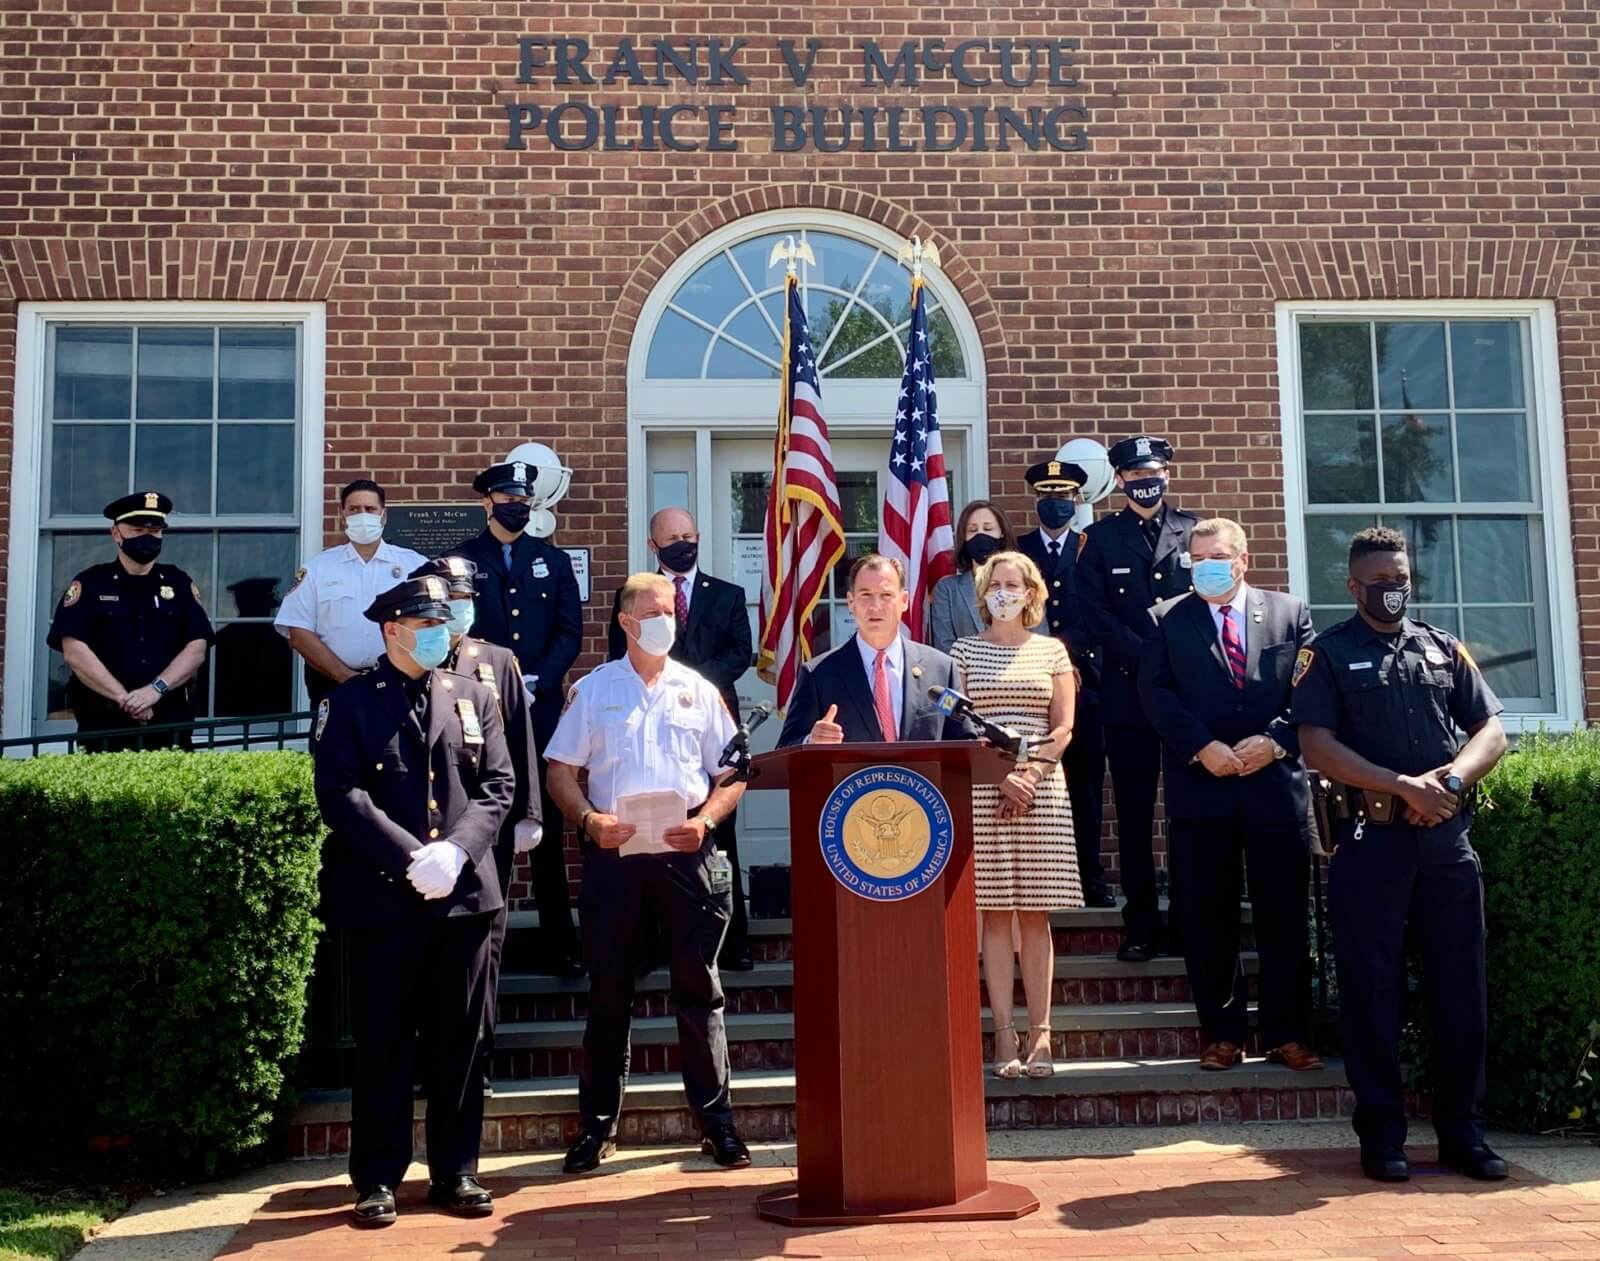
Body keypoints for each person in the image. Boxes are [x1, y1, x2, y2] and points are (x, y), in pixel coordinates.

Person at [1291, 526, 1509, 1184]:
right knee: (1372, 992)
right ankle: (1382, 1134)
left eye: (1402, 575)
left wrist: (1448, 781)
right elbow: (1315, 743)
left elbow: (1491, 729)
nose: (1394, 588)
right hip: (1371, 844)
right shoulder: (1326, 655)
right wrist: (1397, 784)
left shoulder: (1442, 648)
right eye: (1380, 579)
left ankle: (1462, 1132)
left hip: (1444, 841)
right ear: (1354, 585)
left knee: (1459, 989)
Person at [311, 575, 515, 1227]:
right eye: (425, 622)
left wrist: (454, 852)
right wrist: (410, 857)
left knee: (461, 1039)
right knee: (385, 1041)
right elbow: (339, 792)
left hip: (464, 897)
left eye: (442, 621)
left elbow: (499, 784)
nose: (439, 631)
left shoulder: (474, 695)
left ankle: (457, 1169)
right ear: (391, 629)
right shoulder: (352, 704)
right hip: (384, 902)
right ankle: (377, 1176)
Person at [545, 573, 752, 1175]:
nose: (669, 620)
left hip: (687, 852)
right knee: (609, 995)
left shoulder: (699, 688)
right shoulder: (594, 691)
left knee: (699, 993)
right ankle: (597, 1128)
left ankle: (717, 1127)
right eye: (656, 611)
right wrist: (587, 820)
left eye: (672, 611)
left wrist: (708, 821)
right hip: (617, 856)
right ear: (627, 622)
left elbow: (733, 772)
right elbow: (560, 769)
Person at [1138, 518, 1322, 1075]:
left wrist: (1277, 740)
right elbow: (1155, 692)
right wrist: (1202, 747)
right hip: (1203, 789)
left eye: (1216, 557)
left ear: (1243, 559)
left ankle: (1287, 1032)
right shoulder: (1167, 618)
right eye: (1196, 559)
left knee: (1283, 915)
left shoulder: (1290, 613)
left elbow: (1312, 689)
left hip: (1274, 789)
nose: (1204, 567)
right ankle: (1222, 1033)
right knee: (1205, 915)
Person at [412, 556, 543, 1094]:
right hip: (431, 832)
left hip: (489, 829)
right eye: (452, 597)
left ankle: (477, 1058)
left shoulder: (497, 660)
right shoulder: (415, 659)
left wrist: (530, 812)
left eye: (466, 596)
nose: (460, 607)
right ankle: (428, 1057)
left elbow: (520, 742)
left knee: (485, 948)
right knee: (427, 948)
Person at [606, 507, 756, 970]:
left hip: (710, 724)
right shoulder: (633, 597)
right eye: (672, 537)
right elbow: (620, 654)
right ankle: (653, 946)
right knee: (652, 843)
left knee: (718, 836)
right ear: (654, 545)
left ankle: (732, 942)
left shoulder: (728, 595)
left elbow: (739, 653)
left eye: (689, 535)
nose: (682, 543)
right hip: (648, 730)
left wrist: (687, 682)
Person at [451, 458, 584, 979]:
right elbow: (456, 634)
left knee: (547, 825)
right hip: (478, 710)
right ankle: (482, 945)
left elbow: (570, 632)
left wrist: (537, 681)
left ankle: (561, 942)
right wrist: (495, 686)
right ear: (487, 503)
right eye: (508, 499)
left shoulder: (551, 561)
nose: (517, 507)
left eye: (524, 500)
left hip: (540, 710)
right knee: (480, 818)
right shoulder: (462, 560)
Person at [950, 550, 1079, 1080]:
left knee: (1035, 914)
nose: (1005, 591)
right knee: (994, 915)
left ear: (1031, 593)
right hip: (984, 789)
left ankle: (1041, 1034)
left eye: (1015, 584)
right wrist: (999, 775)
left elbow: (1064, 726)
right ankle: (1003, 1032)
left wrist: (1028, 777)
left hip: (1042, 791)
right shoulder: (961, 650)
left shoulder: (1052, 650)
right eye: (996, 584)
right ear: (984, 593)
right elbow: (957, 722)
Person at [1077, 436, 1199, 961]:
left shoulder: (1194, 532)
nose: (1145, 480)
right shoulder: (1101, 540)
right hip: (1129, 696)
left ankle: (1191, 918)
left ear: (1167, 473)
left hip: (1189, 697)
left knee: (1189, 810)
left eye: (1153, 471)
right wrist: (1145, 657)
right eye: (1134, 474)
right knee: (1133, 813)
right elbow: (1092, 614)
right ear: (1120, 480)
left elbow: (1207, 606)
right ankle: (1143, 924)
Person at [46, 490, 214, 751]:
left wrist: (154, 691)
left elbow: (197, 647)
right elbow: (74, 651)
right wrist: (125, 698)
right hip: (104, 727)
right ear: (116, 534)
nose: (148, 537)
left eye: (155, 530)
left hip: (169, 726)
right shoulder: (90, 583)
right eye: (137, 530)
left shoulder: (178, 583)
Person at [1017, 458, 1114, 907]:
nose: (1057, 505)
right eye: (1048, 498)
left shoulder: (1092, 547)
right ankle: (1037, 878)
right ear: (1037, 502)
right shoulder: (1017, 552)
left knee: (1086, 784)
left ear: (1078, 501)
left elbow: (1099, 613)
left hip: (1087, 685)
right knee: (1028, 777)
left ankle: (1089, 876)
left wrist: (1066, 654)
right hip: (1028, 683)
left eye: (1065, 498)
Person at [776, 554, 967, 747]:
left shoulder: (941, 669)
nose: (876, 607)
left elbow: (964, 744)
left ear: (904, 601)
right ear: (851, 601)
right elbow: (785, 749)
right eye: (866, 595)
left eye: (886, 596)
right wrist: (811, 742)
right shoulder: (818, 675)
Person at [274, 479, 427, 705]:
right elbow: (298, 631)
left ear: (383, 515)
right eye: (354, 510)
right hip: (332, 684)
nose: (362, 515)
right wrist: (345, 676)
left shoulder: (414, 566)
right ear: (342, 515)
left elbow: (434, 625)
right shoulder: (317, 568)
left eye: (370, 509)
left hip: (400, 684)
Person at [928, 500, 1014, 654]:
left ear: (1001, 533)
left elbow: (1037, 640)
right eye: (972, 530)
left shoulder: (1023, 585)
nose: (980, 535)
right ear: (964, 538)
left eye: (988, 528)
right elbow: (944, 646)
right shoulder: (947, 590)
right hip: (965, 675)